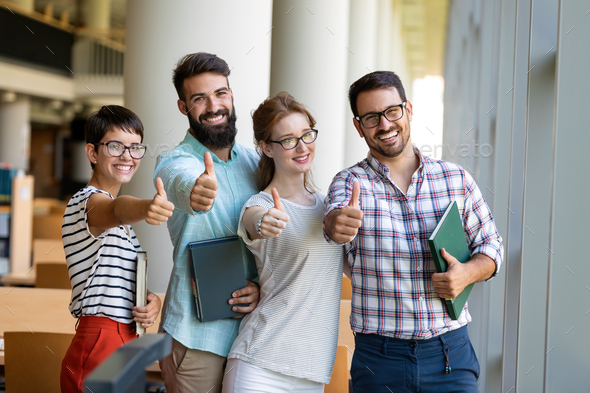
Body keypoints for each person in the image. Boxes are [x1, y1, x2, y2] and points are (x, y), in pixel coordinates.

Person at [323, 71, 504, 393]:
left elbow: (491, 245)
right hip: (379, 360)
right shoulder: (348, 184)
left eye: (392, 112)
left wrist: (467, 273)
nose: (385, 125)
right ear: (358, 125)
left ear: (407, 109)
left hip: (451, 354)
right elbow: (334, 221)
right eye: (371, 118)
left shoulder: (455, 179)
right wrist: (337, 223)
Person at [222, 92, 344, 393]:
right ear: (266, 148)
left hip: (311, 374)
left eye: (307, 135)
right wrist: (265, 222)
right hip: (259, 366)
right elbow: (254, 222)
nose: (302, 146)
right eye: (288, 140)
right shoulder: (260, 204)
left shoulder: (329, 207)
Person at [154, 52, 261, 393]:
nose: (213, 106)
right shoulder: (173, 162)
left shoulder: (256, 161)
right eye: (199, 98)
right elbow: (183, 184)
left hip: (253, 336)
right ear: (184, 107)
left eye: (220, 93)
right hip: (196, 339)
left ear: (231, 95)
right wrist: (197, 191)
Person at [60, 105, 172, 392]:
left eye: (135, 147)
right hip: (100, 340)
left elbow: (112, 282)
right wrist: (148, 206)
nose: (127, 156)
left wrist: (150, 302)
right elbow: (117, 209)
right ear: (92, 153)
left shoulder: (124, 231)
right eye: (115, 146)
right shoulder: (86, 202)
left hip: (126, 339)